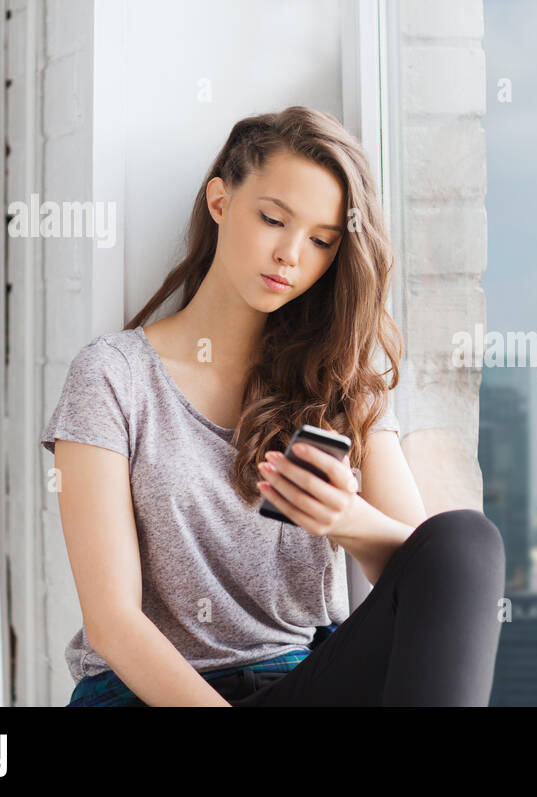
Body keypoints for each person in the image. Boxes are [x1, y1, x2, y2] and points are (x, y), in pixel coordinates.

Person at [41, 106, 505, 707]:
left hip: (298, 681)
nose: (291, 254)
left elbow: (427, 575)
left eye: (320, 241)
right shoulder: (113, 376)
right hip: (148, 697)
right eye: (272, 219)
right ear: (219, 202)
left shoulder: (340, 382)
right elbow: (113, 624)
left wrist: (346, 519)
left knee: (465, 542)